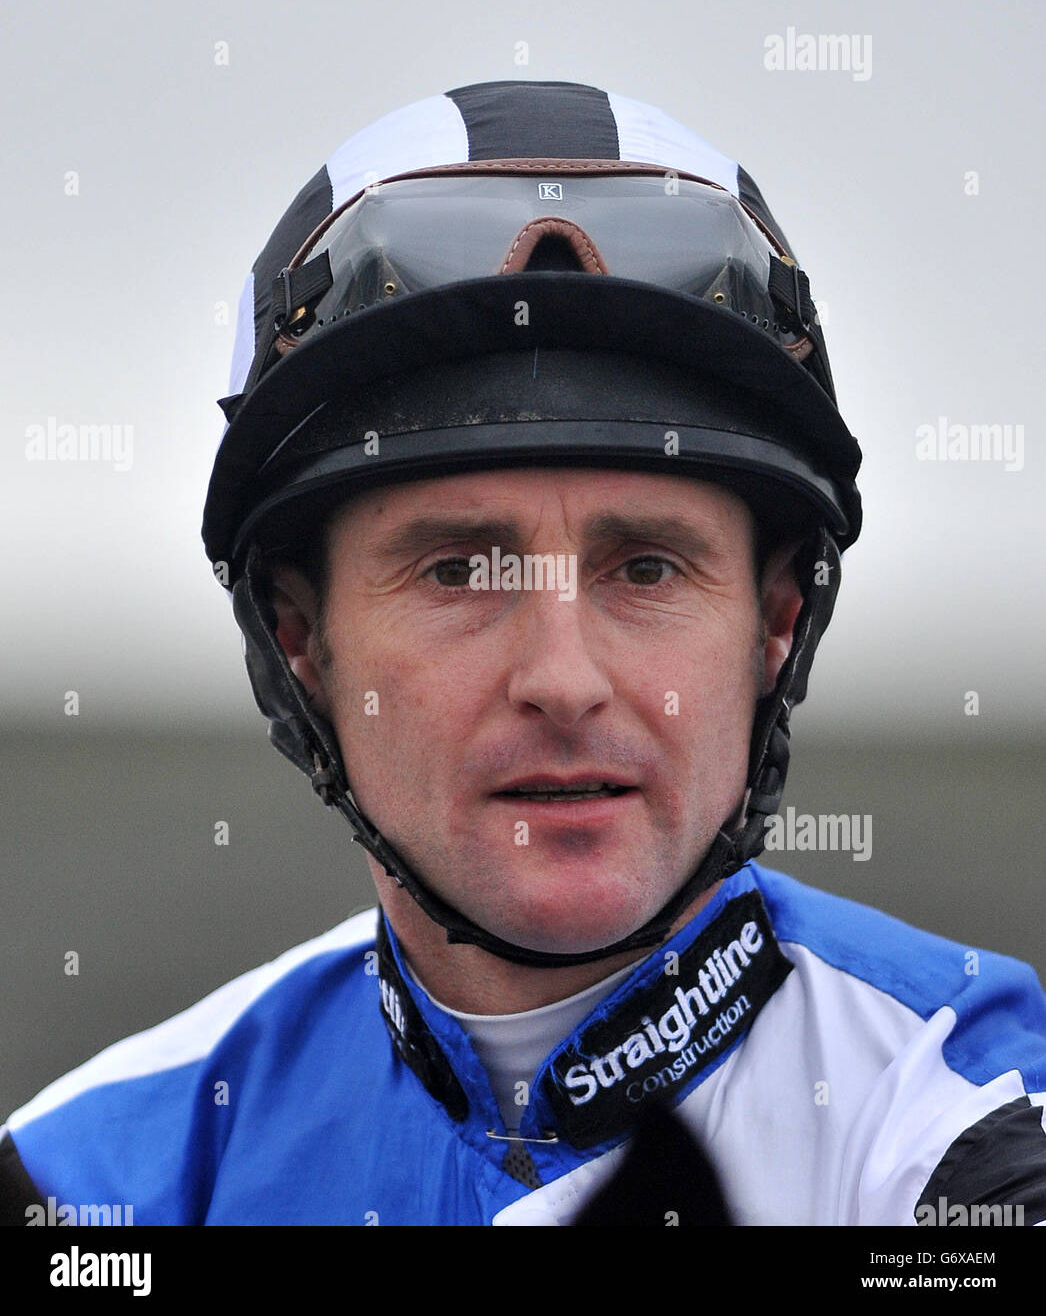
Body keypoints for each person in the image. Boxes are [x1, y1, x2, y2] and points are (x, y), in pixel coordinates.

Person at [3, 80, 1044, 1228]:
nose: (563, 678)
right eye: (457, 571)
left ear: (776, 621)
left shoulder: (970, 1121)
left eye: (644, 568)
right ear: (298, 641)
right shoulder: (84, 1181)